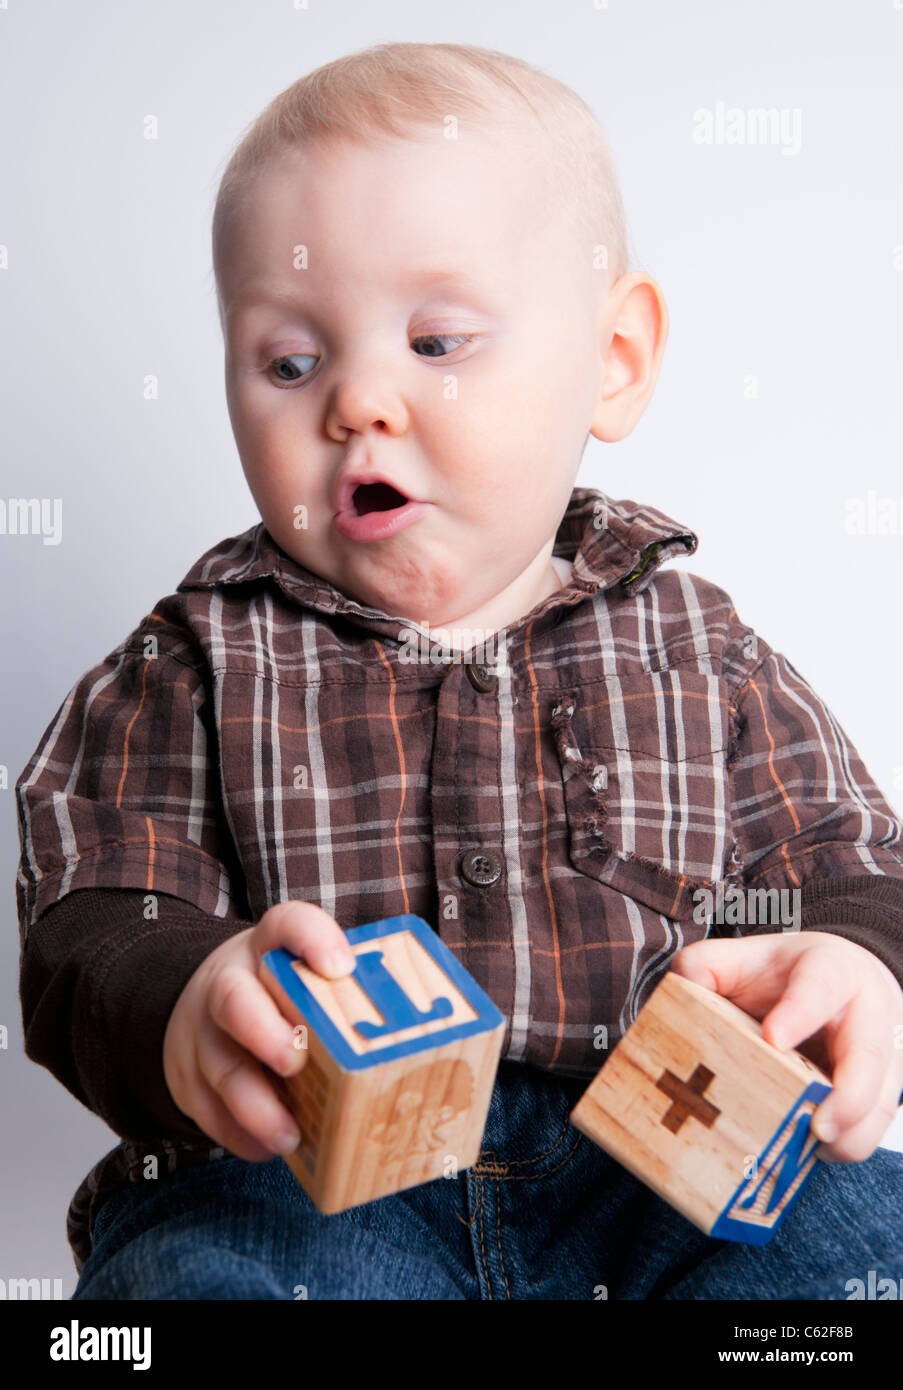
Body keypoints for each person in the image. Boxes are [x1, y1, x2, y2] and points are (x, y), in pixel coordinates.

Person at [15, 41, 903, 1300]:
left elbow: (851, 859)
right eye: (288, 362)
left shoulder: (703, 647)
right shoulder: (196, 659)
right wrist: (190, 995)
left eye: (436, 342)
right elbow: (90, 913)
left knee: (863, 1255)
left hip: (666, 1171)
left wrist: (856, 963)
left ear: (614, 357)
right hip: (313, 1180)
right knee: (201, 1278)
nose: (358, 400)